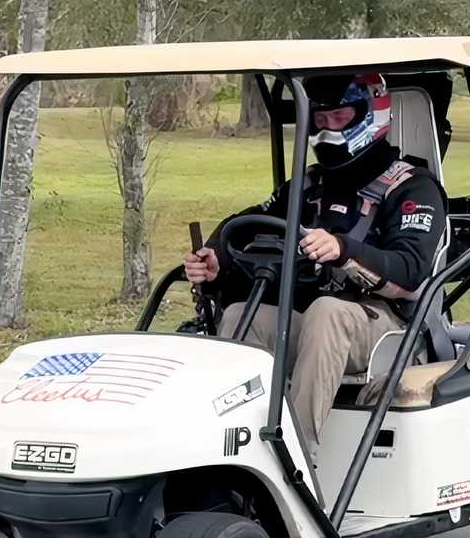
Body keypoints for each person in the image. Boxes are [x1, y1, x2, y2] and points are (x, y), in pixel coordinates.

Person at [183, 73, 448, 464]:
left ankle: (291, 461)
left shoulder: (412, 186)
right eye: (321, 122)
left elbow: (410, 271)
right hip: (310, 317)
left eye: (338, 119)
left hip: (385, 325)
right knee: (242, 314)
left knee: (327, 313)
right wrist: (215, 259)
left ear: (370, 115)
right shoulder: (308, 185)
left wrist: (343, 250)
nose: (328, 131)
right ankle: (228, 453)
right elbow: (251, 223)